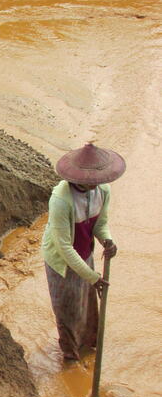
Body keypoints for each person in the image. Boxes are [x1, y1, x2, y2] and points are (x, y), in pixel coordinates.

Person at [41, 142, 126, 362]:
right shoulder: (61, 200)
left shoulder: (103, 191)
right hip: (62, 261)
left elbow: (100, 224)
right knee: (66, 309)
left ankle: (89, 344)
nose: (96, 183)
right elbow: (64, 247)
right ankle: (70, 356)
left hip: (84, 251)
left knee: (87, 305)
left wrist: (107, 240)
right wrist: (92, 277)